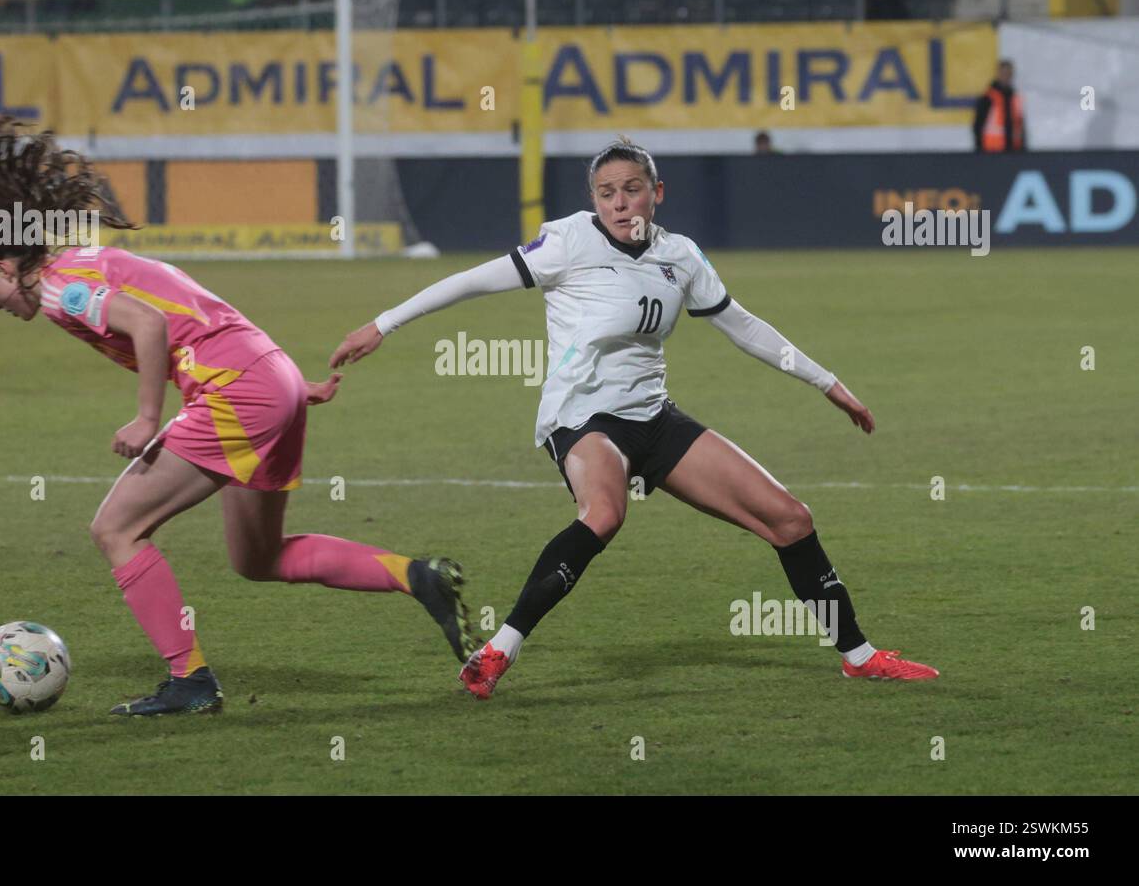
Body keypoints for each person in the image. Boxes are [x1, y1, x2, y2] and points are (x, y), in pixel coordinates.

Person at [331, 136, 939, 700]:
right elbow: (469, 282)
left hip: (654, 418)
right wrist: (382, 324)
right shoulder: (568, 242)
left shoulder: (680, 257)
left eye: (632, 189)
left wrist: (828, 383)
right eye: (606, 193)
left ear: (657, 192)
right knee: (604, 514)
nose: (621, 204)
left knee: (790, 519)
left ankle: (859, 655)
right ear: (593, 199)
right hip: (581, 417)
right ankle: (496, 652)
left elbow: (744, 327)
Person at [0, 118, 476, 716]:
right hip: (266, 375)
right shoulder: (86, 259)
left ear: (3, 268)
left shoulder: (57, 288)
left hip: (237, 390)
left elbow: (148, 324)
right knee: (259, 557)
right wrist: (287, 385)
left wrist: (148, 417)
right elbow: (198, 309)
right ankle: (418, 577)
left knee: (115, 530)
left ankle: (190, 680)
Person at [973, 59, 1026, 153]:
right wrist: (980, 150)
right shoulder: (988, 98)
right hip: (992, 151)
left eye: (1009, 73)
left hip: (1014, 151)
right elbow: (978, 125)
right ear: (998, 74)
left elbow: (1020, 126)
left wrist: (1023, 148)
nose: (1006, 76)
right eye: (1003, 73)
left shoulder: (1015, 98)